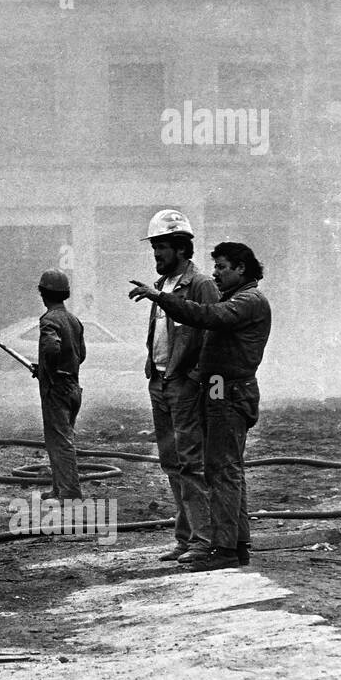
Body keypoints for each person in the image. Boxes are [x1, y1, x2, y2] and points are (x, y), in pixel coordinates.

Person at [130, 242, 271, 572]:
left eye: (222, 267)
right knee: (225, 468)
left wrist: (161, 298)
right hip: (221, 390)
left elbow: (208, 316)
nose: (217, 272)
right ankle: (235, 544)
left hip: (229, 392)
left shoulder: (248, 301)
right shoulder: (239, 298)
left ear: (241, 269)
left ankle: (224, 547)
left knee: (222, 470)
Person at [138, 210, 220, 565]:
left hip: (184, 386)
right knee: (172, 463)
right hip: (160, 382)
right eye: (154, 246)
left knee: (192, 464)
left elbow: (214, 332)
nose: (156, 254)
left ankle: (203, 540)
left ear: (181, 248)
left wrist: (195, 376)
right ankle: (185, 538)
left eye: (161, 247)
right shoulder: (162, 287)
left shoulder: (200, 285)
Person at [31, 268, 86, 501]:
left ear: (43, 293)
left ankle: (70, 493)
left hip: (57, 389)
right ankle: (59, 489)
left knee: (60, 442)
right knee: (59, 439)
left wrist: (50, 370)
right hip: (73, 386)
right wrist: (45, 366)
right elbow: (80, 354)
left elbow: (52, 347)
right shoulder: (74, 320)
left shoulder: (49, 319)